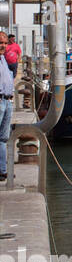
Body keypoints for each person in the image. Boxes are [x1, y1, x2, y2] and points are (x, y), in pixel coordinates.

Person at [0, 46, 13, 181]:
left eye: (4, 42)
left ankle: (2, 170)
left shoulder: (3, 59)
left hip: (7, 100)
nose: (2, 45)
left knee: (3, 138)